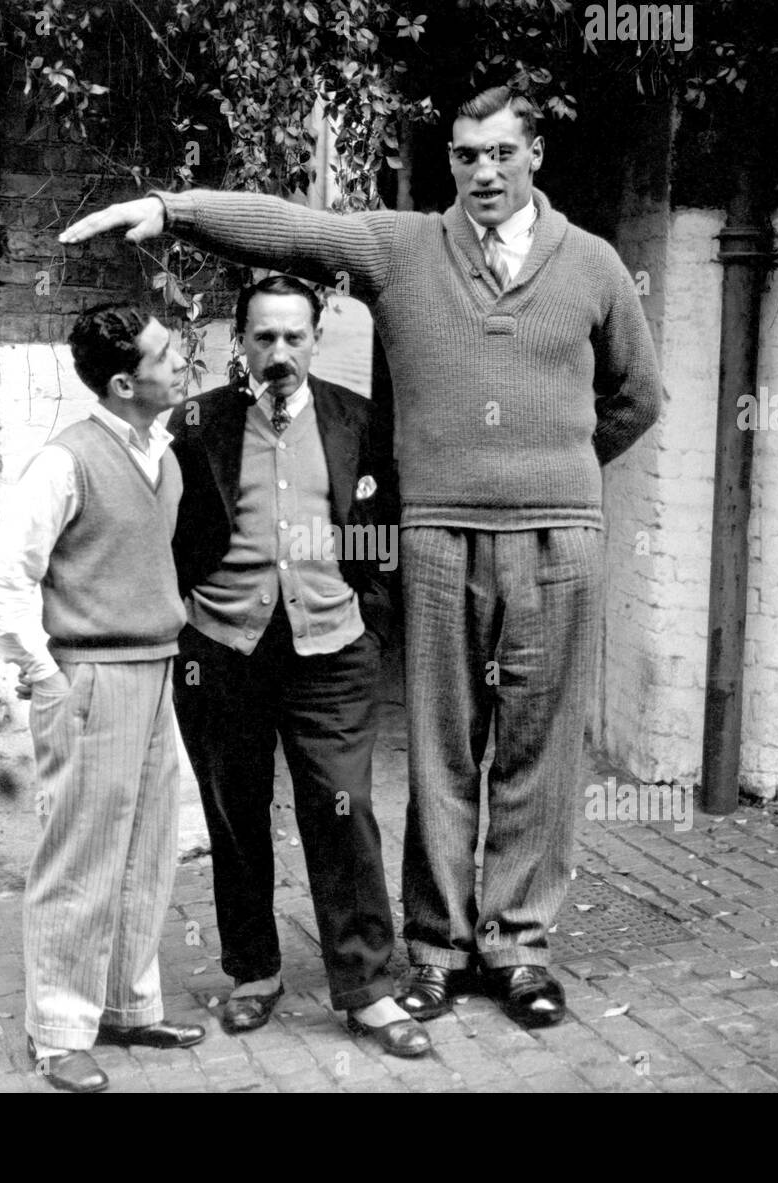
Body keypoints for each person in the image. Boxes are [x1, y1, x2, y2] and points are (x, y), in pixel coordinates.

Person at [59, 86, 663, 1029]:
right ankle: (436, 947)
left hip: (559, 539)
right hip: (434, 537)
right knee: (439, 745)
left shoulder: (593, 266)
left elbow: (637, 397)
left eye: (502, 152)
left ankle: (520, 946)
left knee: (541, 752)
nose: (483, 172)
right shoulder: (406, 249)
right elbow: (294, 231)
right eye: (466, 154)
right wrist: (176, 211)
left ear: (535, 153)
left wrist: (558, 473)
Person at [168, 274, 427, 1058]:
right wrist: (183, 613)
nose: (279, 353)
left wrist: (372, 619)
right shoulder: (197, 423)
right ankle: (253, 971)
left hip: (333, 646)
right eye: (263, 337)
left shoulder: (359, 420)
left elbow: (384, 530)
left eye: (294, 337)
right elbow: (165, 527)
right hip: (223, 644)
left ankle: (367, 986)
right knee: (234, 809)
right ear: (237, 342)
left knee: (344, 804)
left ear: (316, 339)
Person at [0, 304, 206, 1092]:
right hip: (87, 678)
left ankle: (129, 1006)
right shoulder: (67, 461)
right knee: (79, 853)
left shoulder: (164, 454)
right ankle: (58, 1033)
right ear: (121, 382)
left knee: (146, 844)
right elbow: (2, 577)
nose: (181, 360)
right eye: (165, 354)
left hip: (153, 669)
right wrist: (43, 675)